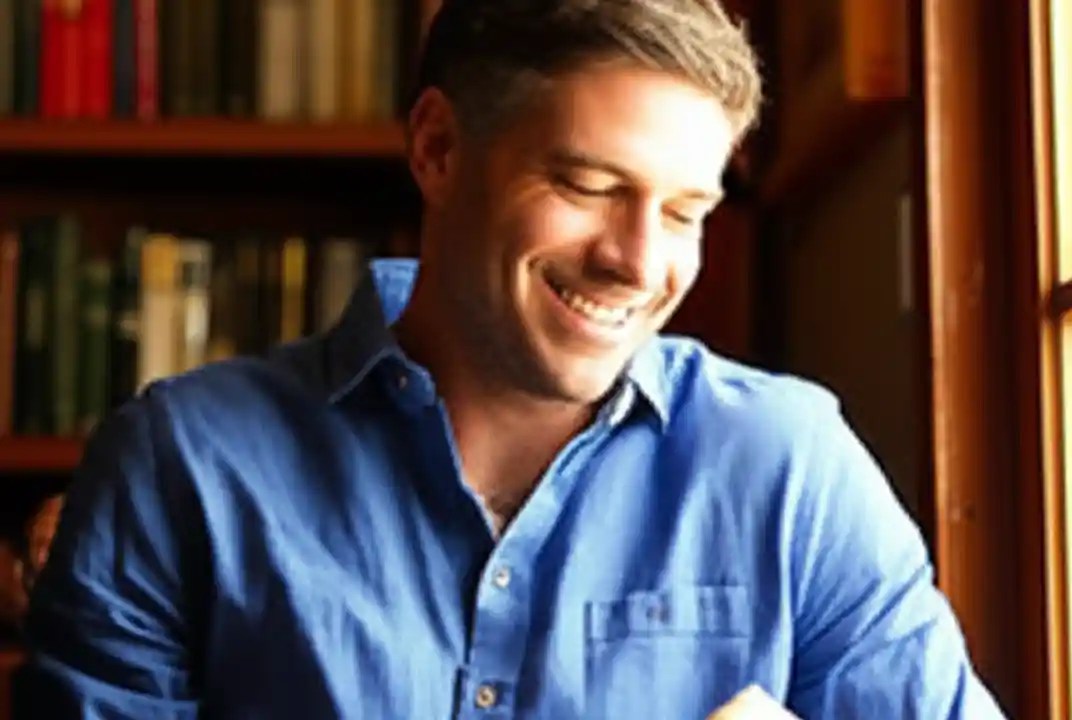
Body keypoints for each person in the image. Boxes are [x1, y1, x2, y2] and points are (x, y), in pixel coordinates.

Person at [18, 1, 1005, 717]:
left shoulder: (792, 469)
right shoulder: (181, 466)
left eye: (683, 213)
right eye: (588, 187)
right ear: (439, 149)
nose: (638, 262)